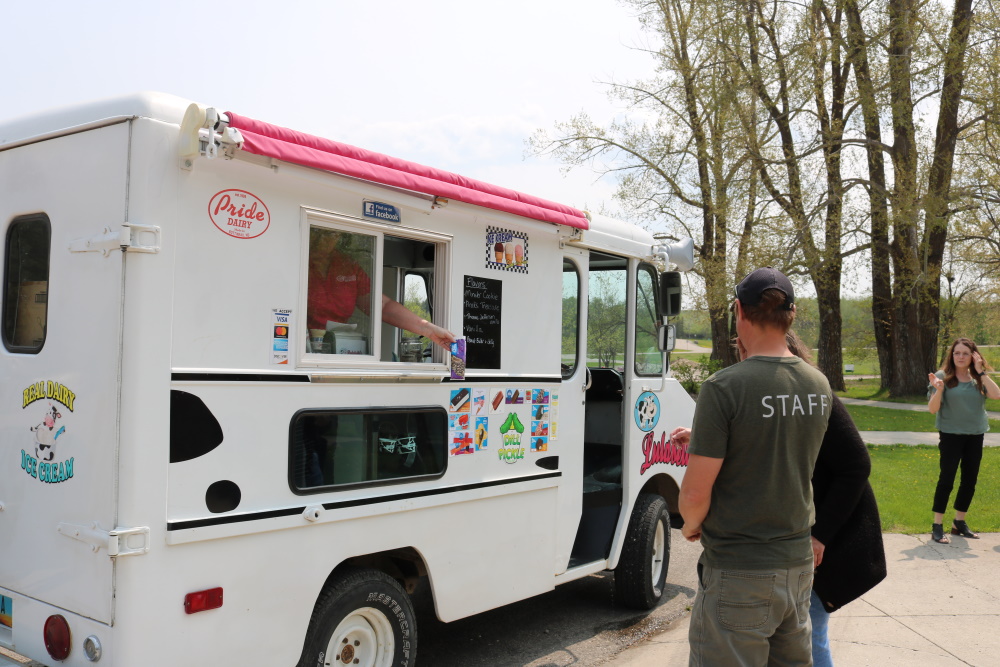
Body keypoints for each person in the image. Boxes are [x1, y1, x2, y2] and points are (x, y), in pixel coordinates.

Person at [674, 267, 832, 666]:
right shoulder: (818, 385)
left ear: (739, 312)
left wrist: (693, 525)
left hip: (739, 572)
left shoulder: (724, 387)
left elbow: (694, 494)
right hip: (797, 567)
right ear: (791, 314)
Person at [785, 332, 886, 667]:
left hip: (820, 547)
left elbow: (857, 465)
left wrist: (820, 535)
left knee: (812, 638)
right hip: (784, 543)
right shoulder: (771, 396)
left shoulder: (814, 394)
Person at [307, 227, 455, 352]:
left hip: (338, 348)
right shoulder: (299, 260)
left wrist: (428, 330)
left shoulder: (347, 265)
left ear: (339, 237)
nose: (322, 239)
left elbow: (382, 306)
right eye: (318, 232)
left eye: (330, 234)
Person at [927, 337, 1000, 543]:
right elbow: (933, 409)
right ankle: (937, 525)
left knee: (970, 480)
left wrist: (981, 371)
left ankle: (959, 522)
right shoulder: (942, 376)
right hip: (950, 435)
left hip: (975, 435)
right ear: (952, 355)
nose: (960, 357)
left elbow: (996, 395)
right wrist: (939, 389)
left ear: (973, 356)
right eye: (957, 353)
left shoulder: (979, 378)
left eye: (965, 353)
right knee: (947, 479)